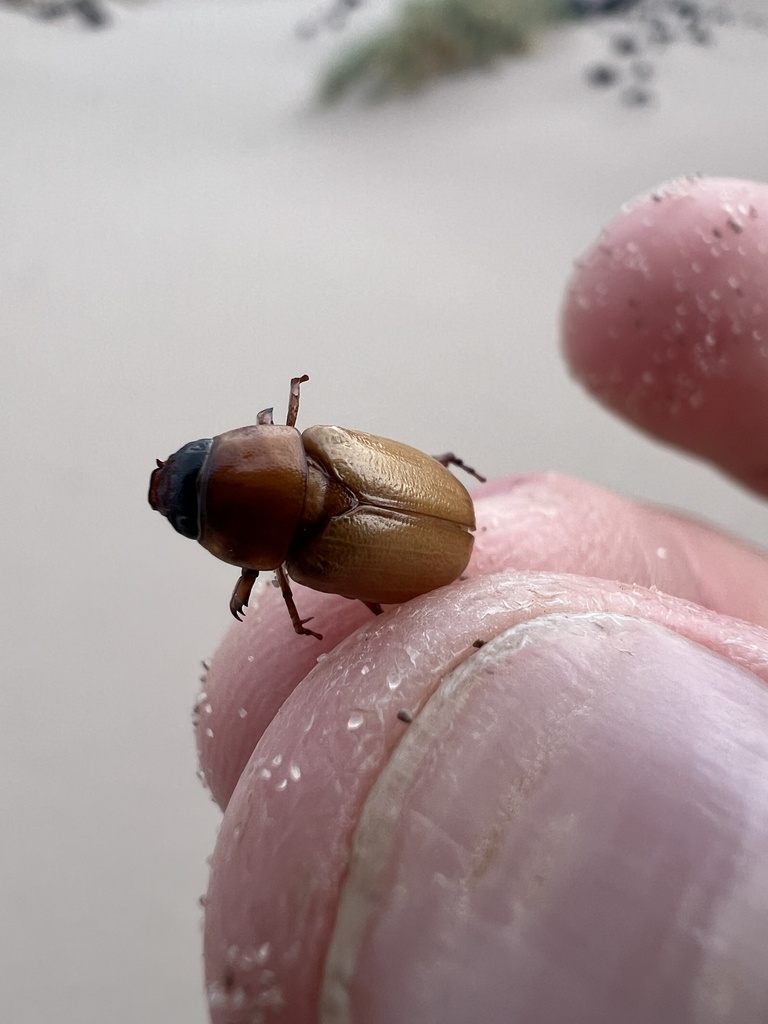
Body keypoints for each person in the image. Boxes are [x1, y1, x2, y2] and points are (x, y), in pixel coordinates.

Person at [196, 177, 768, 1024]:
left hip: (397, 542)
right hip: (404, 524)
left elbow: (271, 572)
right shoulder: (310, 450)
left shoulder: (290, 556)